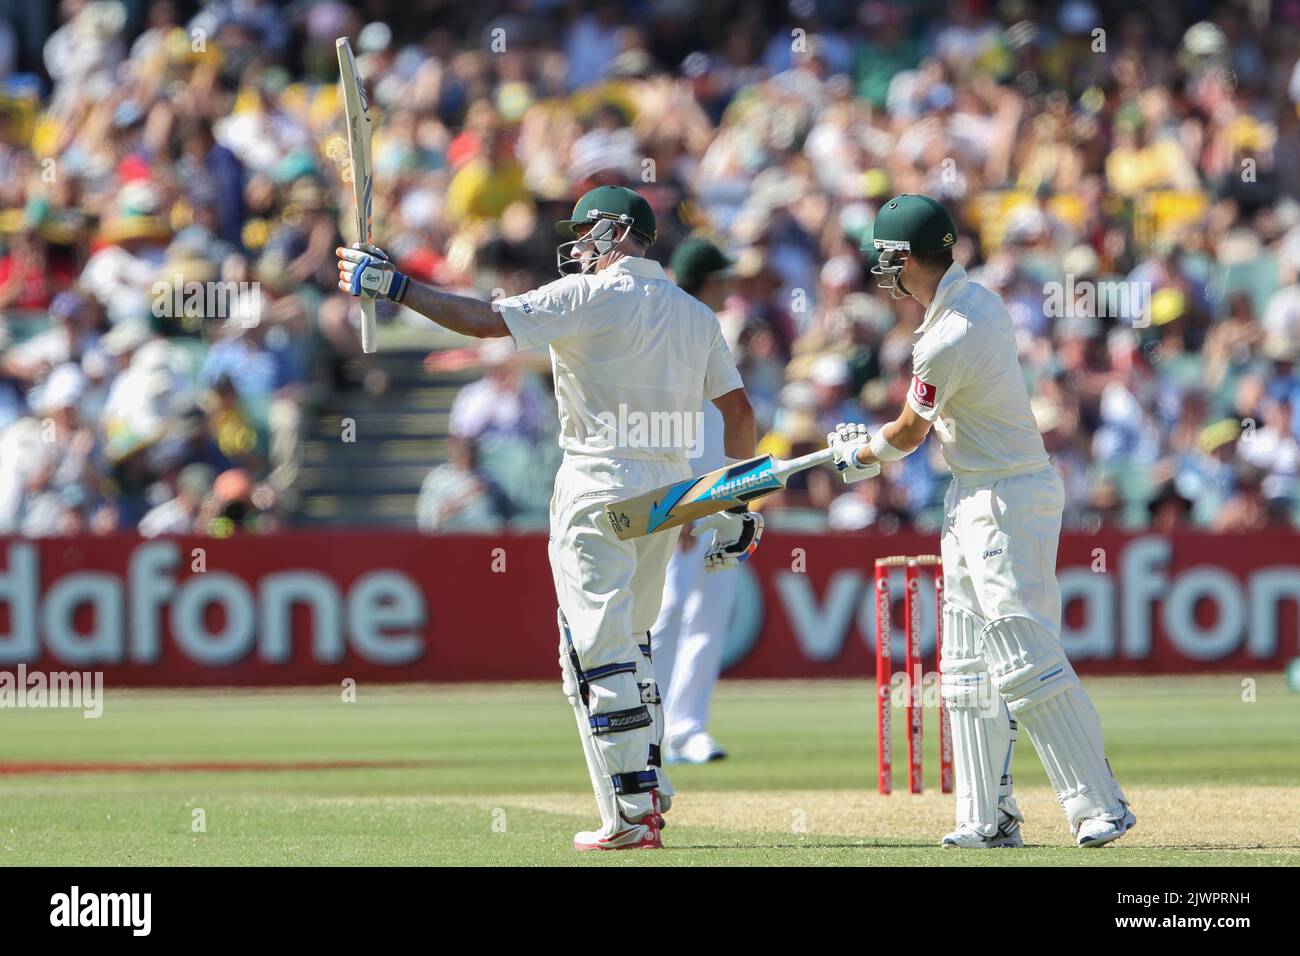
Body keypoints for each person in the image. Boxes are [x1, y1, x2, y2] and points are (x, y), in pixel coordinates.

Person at [337, 185, 759, 851]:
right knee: (625, 643)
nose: (577, 243)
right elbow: (738, 414)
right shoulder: (694, 313)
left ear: (618, 233)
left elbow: (484, 322)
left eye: (588, 230)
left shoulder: (589, 296)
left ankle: (635, 810)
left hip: (597, 482)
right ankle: (643, 788)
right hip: (668, 489)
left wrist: (395, 287)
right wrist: (734, 500)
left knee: (601, 649)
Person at [829, 194, 1135, 849]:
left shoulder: (951, 333)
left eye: (885, 260)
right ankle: (986, 818)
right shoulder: (969, 303)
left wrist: (858, 454)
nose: (880, 274)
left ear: (904, 258)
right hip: (971, 494)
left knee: (1020, 652)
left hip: (1007, 497)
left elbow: (909, 434)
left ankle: (1098, 805)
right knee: (966, 664)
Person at [650, 237, 739, 765]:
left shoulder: (710, 329)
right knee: (664, 613)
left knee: (709, 614)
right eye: (723, 278)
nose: (730, 286)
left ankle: (688, 728)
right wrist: (682, 502)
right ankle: (652, 730)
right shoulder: (673, 334)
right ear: (705, 282)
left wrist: (737, 494)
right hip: (683, 499)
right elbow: (670, 424)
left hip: (724, 496)